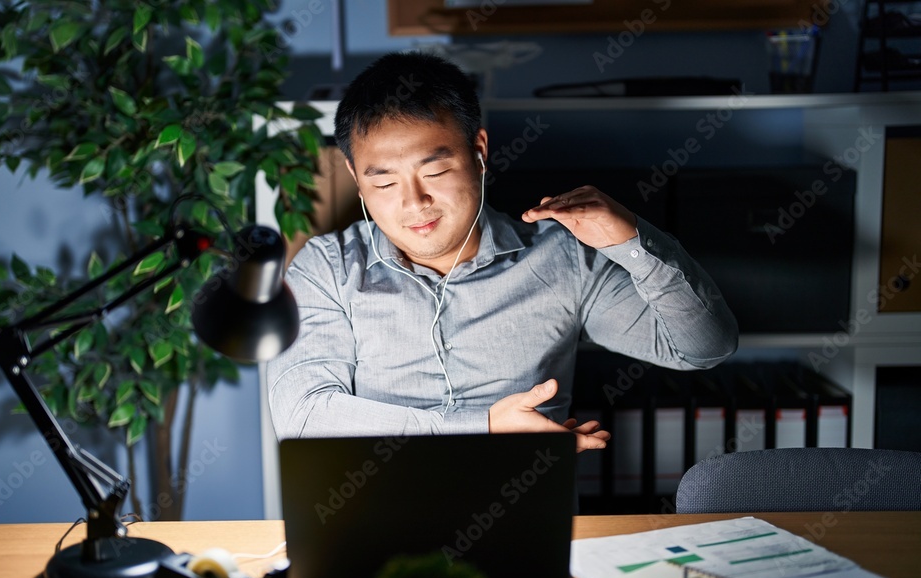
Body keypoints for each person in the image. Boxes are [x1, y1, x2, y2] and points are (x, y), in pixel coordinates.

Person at [266, 52, 738, 451]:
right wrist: (485, 426)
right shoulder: (326, 269)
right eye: (384, 182)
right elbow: (302, 418)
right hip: (369, 518)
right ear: (354, 176)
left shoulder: (563, 259)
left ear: (479, 151)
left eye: (434, 172)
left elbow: (703, 349)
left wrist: (631, 243)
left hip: (526, 514)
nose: (413, 202)